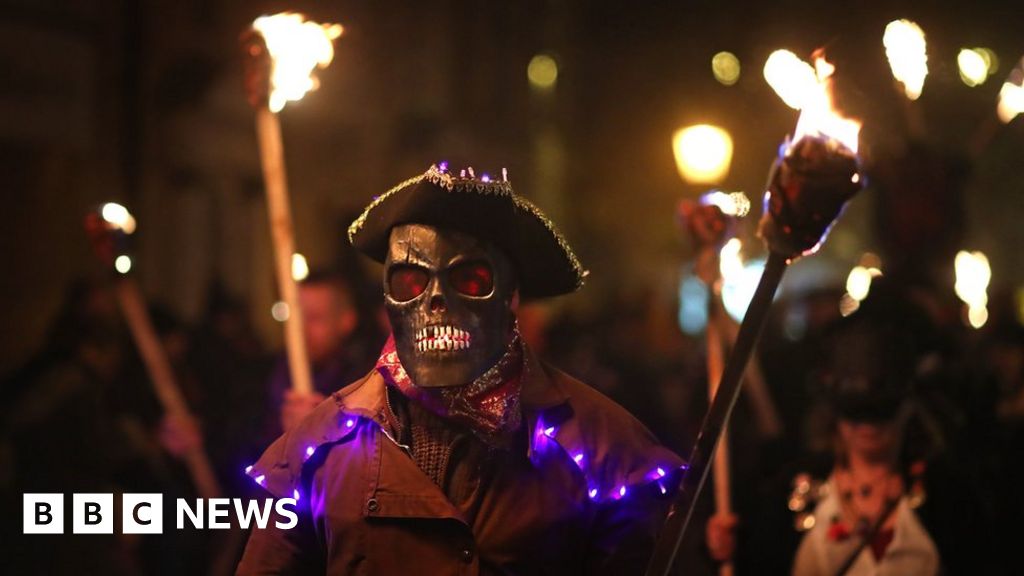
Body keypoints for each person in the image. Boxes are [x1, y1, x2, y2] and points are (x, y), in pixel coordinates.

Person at [237, 163, 684, 575]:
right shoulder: (315, 452)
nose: (435, 301)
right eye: (411, 281)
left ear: (510, 297)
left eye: (469, 280)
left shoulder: (607, 453)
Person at [705, 287, 993, 574]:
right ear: (833, 411)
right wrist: (727, 545)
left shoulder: (950, 500)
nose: (868, 425)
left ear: (908, 406)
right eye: (854, 412)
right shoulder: (790, 493)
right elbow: (756, 563)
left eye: (882, 411)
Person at [266, 269, 374, 435]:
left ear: (347, 321)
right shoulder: (271, 376)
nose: (301, 330)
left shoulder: (366, 382)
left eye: (314, 318)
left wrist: (326, 426)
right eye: (296, 318)